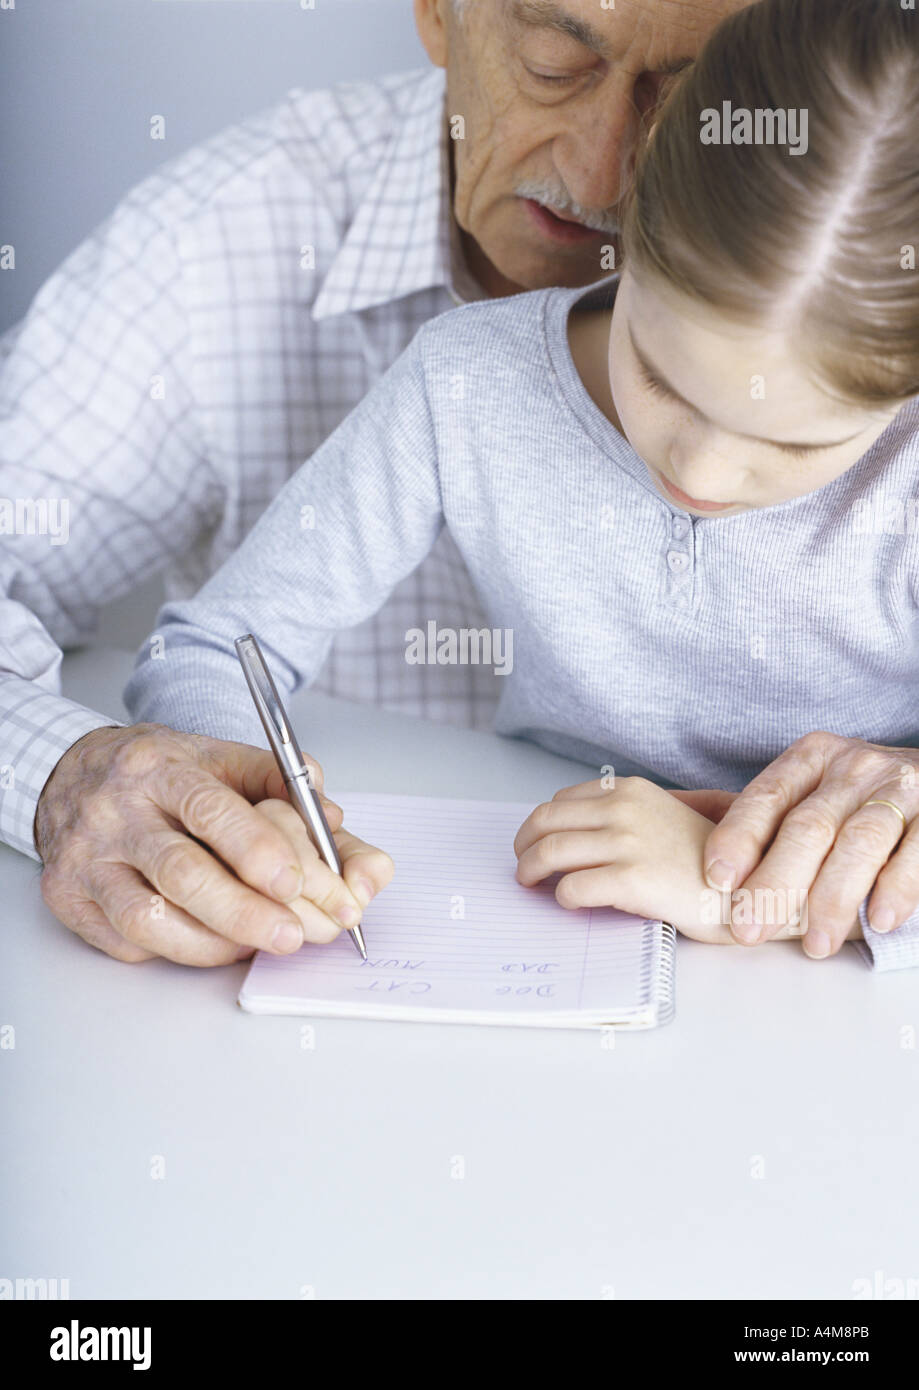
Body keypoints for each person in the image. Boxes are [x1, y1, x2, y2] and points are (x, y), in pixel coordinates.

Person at [124, 0, 919, 970]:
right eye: (663, 378)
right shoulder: (465, 381)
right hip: (540, 934)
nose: (697, 471)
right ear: (640, 210)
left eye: (789, 446)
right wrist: (244, 813)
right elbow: (213, 645)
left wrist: (728, 882)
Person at [1, 0, 748, 961]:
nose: (600, 173)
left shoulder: (867, 267)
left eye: (686, 102)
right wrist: (67, 776)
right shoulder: (225, 237)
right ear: (438, 14)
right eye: (553, 64)